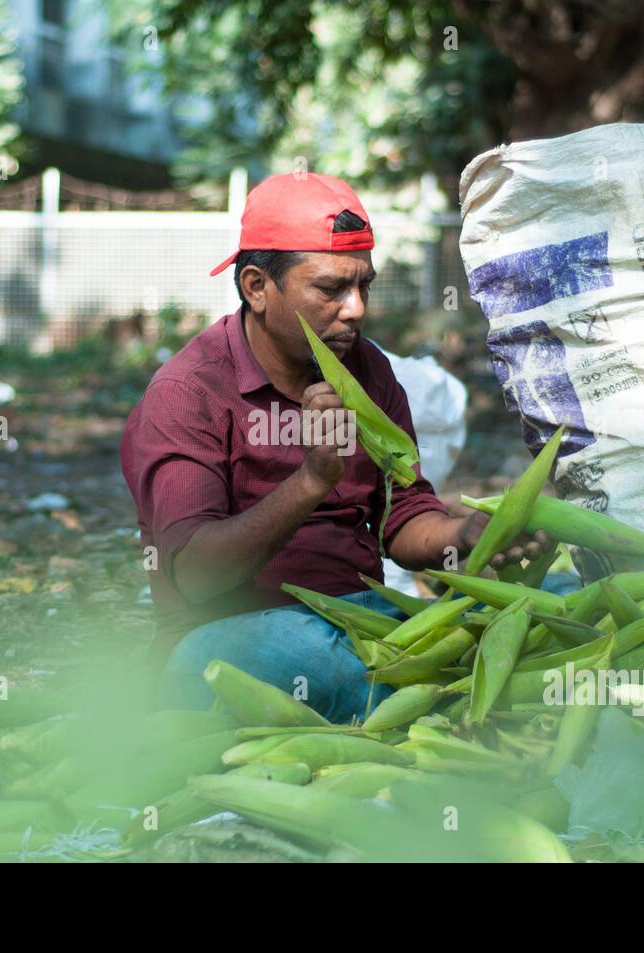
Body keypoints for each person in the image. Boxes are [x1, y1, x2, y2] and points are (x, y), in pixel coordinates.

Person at [120, 172, 553, 722]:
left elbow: (403, 517)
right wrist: (309, 482)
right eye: (330, 289)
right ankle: (447, 701)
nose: (355, 309)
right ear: (256, 287)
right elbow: (196, 575)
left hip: (356, 617)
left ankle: (431, 696)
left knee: (542, 601)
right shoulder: (189, 393)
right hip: (228, 641)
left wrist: (467, 534)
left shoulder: (366, 369)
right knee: (320, 655)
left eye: (363, 286)